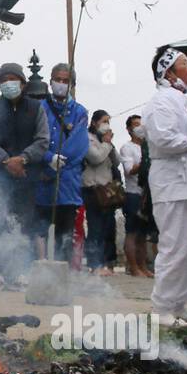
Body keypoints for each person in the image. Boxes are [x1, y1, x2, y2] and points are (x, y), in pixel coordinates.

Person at [142, 46, 187, 325]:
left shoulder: (184, 100)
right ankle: (161, 308)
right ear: (169, 71)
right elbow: (163, 139)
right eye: (186, 63)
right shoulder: (161, 101)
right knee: (176, 247)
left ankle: (179, 302)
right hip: (172, 184)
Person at [0, 62, 49, 291]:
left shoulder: (36, 108)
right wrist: (7, 160)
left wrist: (23, 158)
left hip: (27, 175)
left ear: (23, 82)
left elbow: (43, 140)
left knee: (25, 223)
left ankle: (21, 271)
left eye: (13, 79)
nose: (9, 83)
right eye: (4, 80)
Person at [32, 63, 88, 261]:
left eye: (66, 81)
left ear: (71, 84)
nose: (61, 84)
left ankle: (62, 279)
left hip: (67, 184)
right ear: (50, 81)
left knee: (64, 235)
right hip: (42, 182)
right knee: (39, 232)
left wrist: (59, 161)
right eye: (58, 79)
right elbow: (35, 140)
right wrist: (48, 158)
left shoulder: (80, 112)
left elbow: (78, 147)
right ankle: (40, 276)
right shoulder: (39, 109)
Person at [81, 109, 121, 275]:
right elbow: (95, 158)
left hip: (107, 190)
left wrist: (110, 144)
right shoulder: (86, 138)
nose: (106, 125)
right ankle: (94, 263)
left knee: (107, 228)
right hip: (92, 189)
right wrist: (105, 143)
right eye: (103, 121)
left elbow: (116, 162)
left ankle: (106, 262)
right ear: (94, 122)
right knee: (95, 227)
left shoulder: (107, 142)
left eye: (108, 122)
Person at [120, 115, 153, 277]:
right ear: (129, 129)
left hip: (147, 194)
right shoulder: (127, 148)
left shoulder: (148, 146)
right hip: (133, 194)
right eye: (135, 125)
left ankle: (143, 266)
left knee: (143, 233)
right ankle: (133, 267)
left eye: (141, 125)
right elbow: (129, 169)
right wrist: (145, 163)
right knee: (132, 232)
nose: (139, 128)